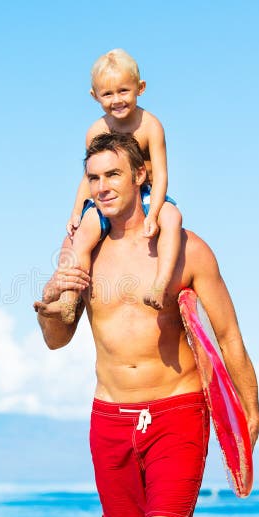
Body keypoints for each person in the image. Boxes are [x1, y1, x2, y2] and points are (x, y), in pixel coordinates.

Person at [33, 133, 259, 517]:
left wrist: (251, 410)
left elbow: (228, 338)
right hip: (110, 417)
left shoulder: (187, 250)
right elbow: (57, 340)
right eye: (94, 178)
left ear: (140, 174)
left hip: (177, 410)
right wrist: (48, 309)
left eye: (113, 174)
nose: (102, 186)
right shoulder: (81, 250)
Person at [40, 49, 182, 324]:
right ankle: (68, 299)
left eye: (124, 91)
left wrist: (153, 214)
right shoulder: (96, 131)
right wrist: (76, 211)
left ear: (140, 88)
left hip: (147, 193)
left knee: (173, 218)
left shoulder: (150, 125)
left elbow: (162, 173)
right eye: (107, 94)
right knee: (81, 236)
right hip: (107, 198)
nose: (117, 100)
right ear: (94, 96)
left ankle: (160, 283)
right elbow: (89, 177)